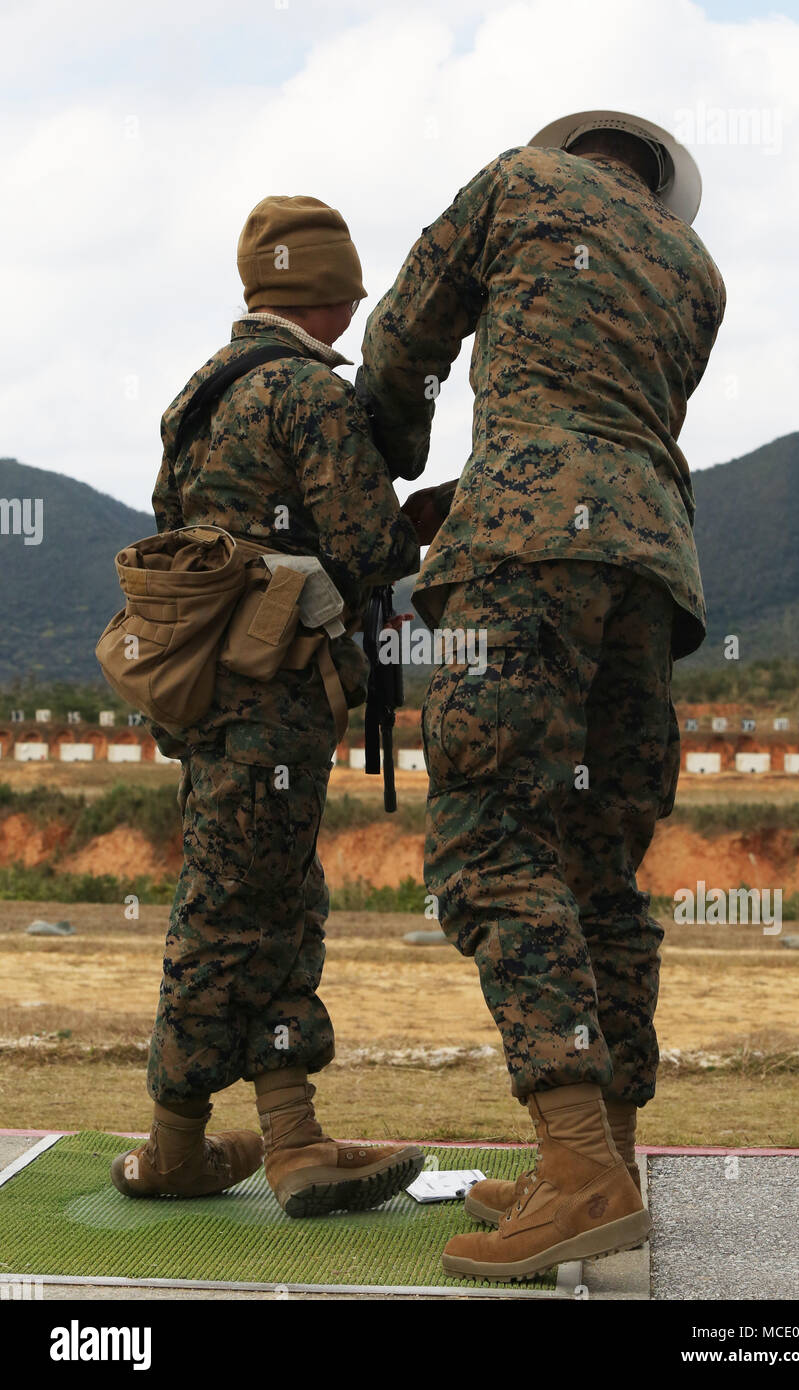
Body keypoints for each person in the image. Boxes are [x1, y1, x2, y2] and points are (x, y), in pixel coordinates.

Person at [358, 110, 726, 1279]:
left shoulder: (517, 182)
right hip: (651, 567)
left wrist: (389, 462)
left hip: (521, 557)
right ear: (660, 187)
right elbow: (611, 420)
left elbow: (400, 334)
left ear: (570, 150)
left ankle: (574, 1166)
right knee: (596, 866)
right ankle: (603, 1157)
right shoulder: (696, 271)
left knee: (491, 837)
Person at [111, 194, 423, 1218]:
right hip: (275, 693)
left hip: (209, 691)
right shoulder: (307, 395)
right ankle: (175, 1145)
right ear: (327, 294)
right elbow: (373, 548)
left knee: (268, 898)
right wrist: (431, 513)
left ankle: (286, 1138)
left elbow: (179, 537)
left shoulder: (198, 398)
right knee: (233, 909)